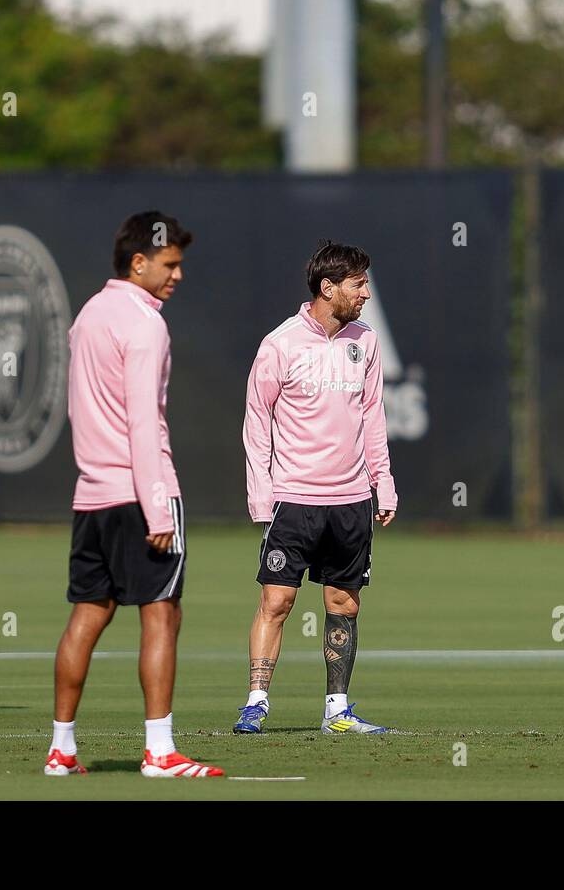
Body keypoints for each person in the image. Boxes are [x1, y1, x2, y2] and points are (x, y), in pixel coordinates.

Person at [44, 211, 221, 779]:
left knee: (87, 616)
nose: (178, 276)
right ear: (139, 262)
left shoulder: (89, 314)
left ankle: (62, 749)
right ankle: (160, 752)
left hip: (91, 496)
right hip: (141, 493)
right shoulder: (146, 323)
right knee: (162, 616)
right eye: (170, 265)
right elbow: (143, 424)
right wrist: (155, 504)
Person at [235, 241, 398, 736]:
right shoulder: (280, 343)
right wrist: (260, 493)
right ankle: (257, 702)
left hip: (350, 501)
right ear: (328, 288)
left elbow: (372, 414)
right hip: (293, 500)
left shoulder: (365, 341)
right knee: (276, 603)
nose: (366, 293)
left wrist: (382, 483)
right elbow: (256, 420)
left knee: (343, 604)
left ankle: (337, 711)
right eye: (358, 284)